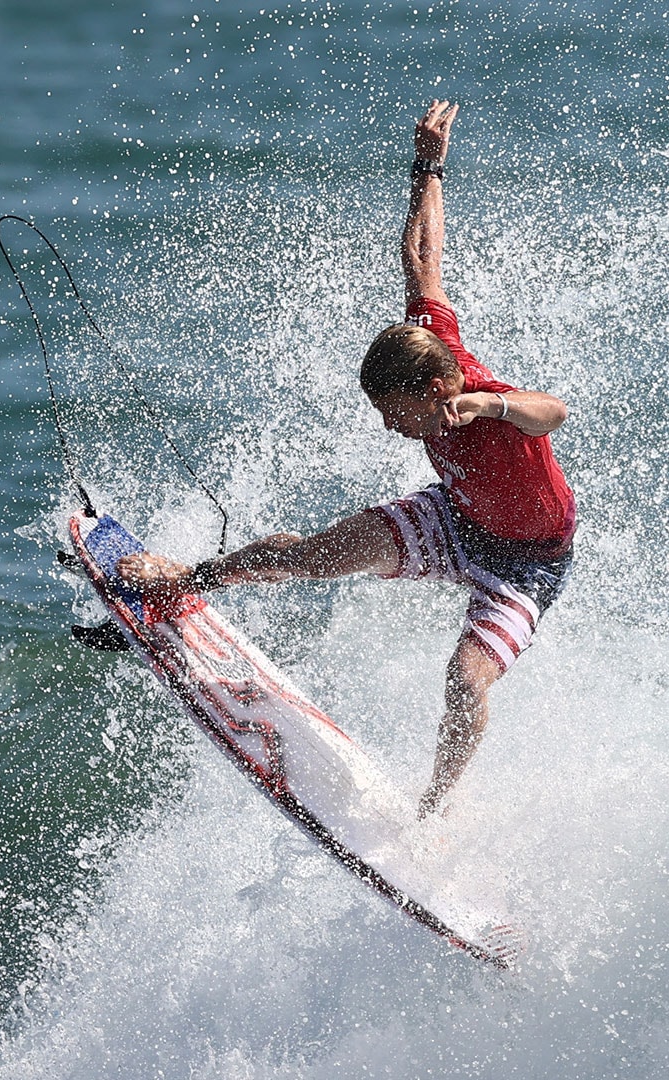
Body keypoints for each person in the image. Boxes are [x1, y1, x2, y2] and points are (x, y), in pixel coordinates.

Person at [118, 100, 577, 817]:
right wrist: (428, 164)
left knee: (464, 679)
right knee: (315, 552)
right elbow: (422, 258)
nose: (389, 427)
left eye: (394, 414)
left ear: (433, 392)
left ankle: (434, 812)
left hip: (529, 561)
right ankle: (189, 580)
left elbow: (554, 412)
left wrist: (491, 405)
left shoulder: (484, 405)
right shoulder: (427, 340)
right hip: (458, 520)